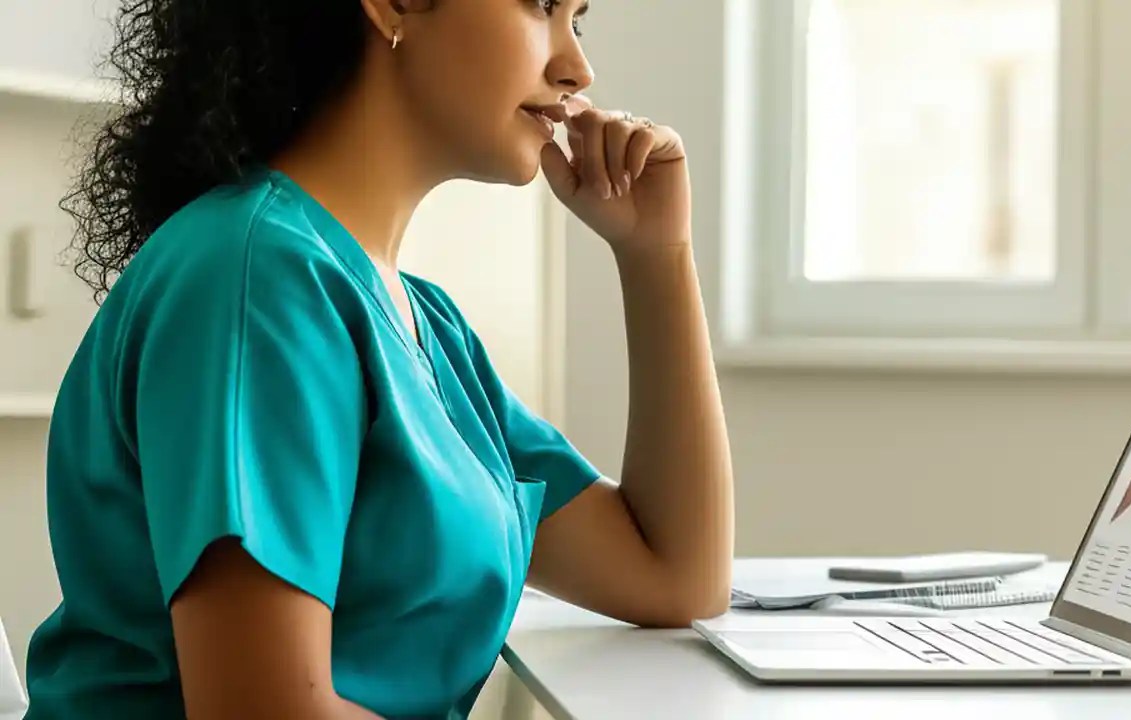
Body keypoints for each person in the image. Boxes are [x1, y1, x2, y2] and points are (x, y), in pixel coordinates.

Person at [22, 0, 734, 717]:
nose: (577, 68)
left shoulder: (426, 327)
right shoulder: (257, 282)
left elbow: (671, 576)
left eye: (578, 21)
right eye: (542, 6)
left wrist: (657, 254)